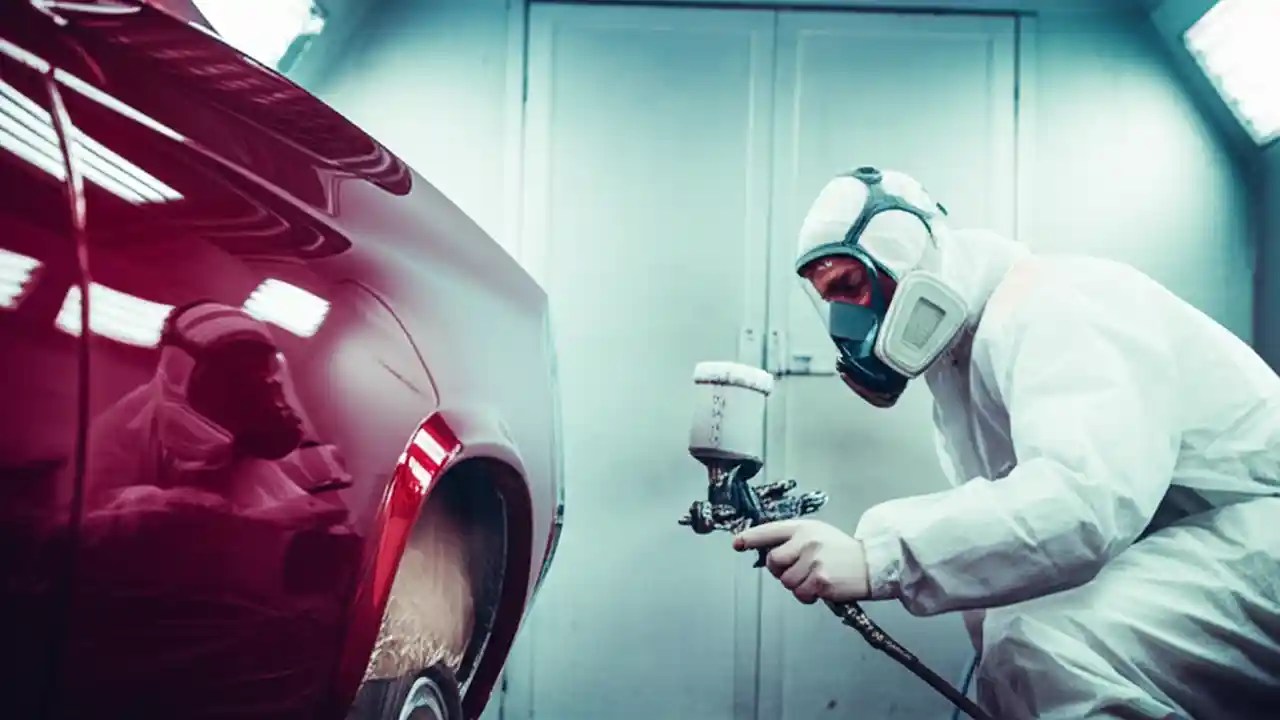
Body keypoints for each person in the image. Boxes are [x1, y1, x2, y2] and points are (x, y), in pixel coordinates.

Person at [735, 166, 1280, 719]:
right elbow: (1022, 559)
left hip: (1261, 536)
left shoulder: (1056, 302)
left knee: (1051, 643)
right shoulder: (959, 375)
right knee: (1015, 644)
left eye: (852, 288)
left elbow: (1082, 502)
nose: (847, 321)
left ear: (908, 254)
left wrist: (877, 555)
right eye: (832, 302)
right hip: (1216, 548)